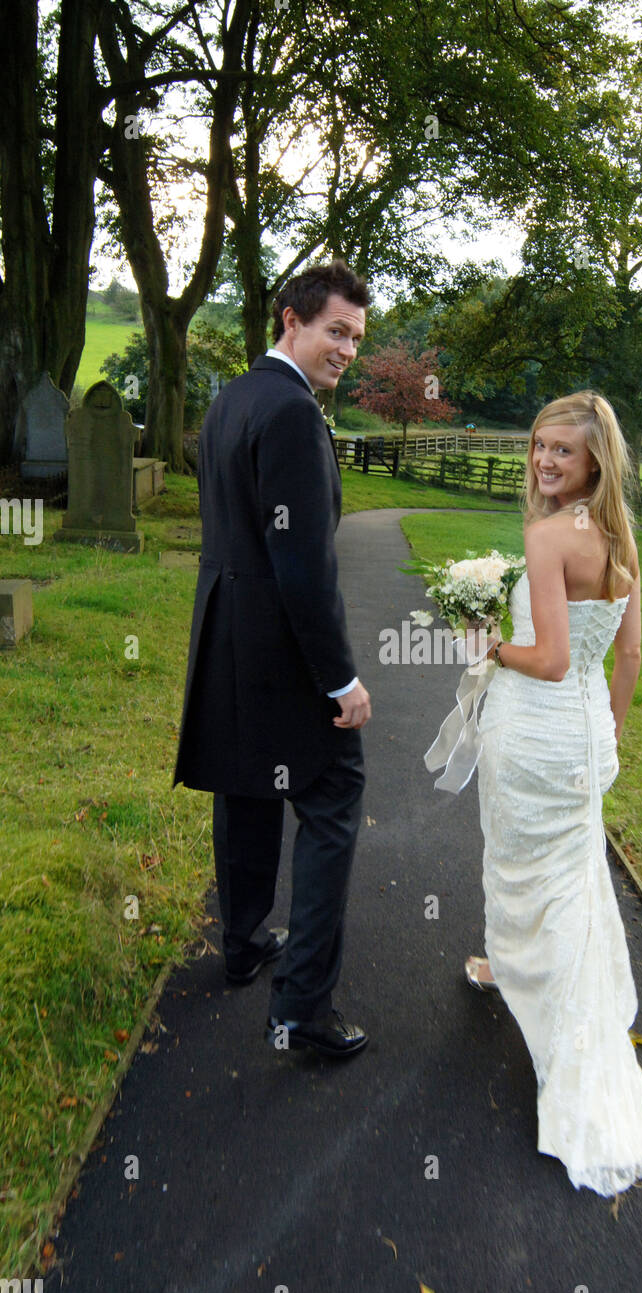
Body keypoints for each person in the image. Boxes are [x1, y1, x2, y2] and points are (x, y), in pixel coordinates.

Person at [467, 390, 642, 1195]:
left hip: (536, 735)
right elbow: (628, 659)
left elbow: (549, 659)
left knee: (519, 863)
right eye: (540, 447)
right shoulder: (620, 539)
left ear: (595, 461)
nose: (546, 461)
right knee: (571, 877)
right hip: (587, 739)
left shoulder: (549, 536)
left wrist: (488, 642)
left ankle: (526, 983)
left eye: (563, 451)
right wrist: (612, 733)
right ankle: (510, 967)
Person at [172, 259, 372, 1058]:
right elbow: (301, 568)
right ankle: (302, 1008)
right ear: (292, 320)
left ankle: (245, 941)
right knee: (333, 796)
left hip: (226, 638)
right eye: (336, 331)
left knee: (248, 789)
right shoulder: (290, 413)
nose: (348, 350)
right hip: (279, 651)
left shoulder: (233, 396)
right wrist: (342, 679)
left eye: (356, 337)